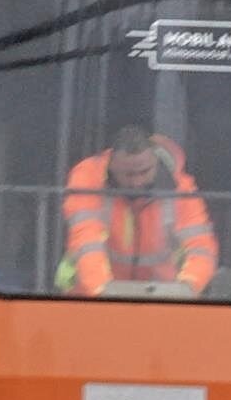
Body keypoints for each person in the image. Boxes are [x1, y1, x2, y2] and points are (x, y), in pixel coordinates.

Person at [57, 124, 218, 296]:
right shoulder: (88, 179)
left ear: (156, 162)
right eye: (128, 174)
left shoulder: (181, 188)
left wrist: (187, 288)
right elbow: (86, 239)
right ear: (112, 166)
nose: (137, 182)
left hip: (161, 296)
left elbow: (201, 246)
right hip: (90, 296)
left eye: (144, 172)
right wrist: (102, 292)